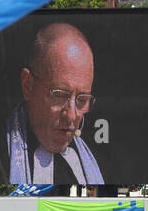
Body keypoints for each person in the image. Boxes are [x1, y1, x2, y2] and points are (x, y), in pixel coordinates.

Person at [7, 22, 103, 186]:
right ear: (28, 86)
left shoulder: (100, 159)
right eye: (60, 95)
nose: (72, 116)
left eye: (82, 100)